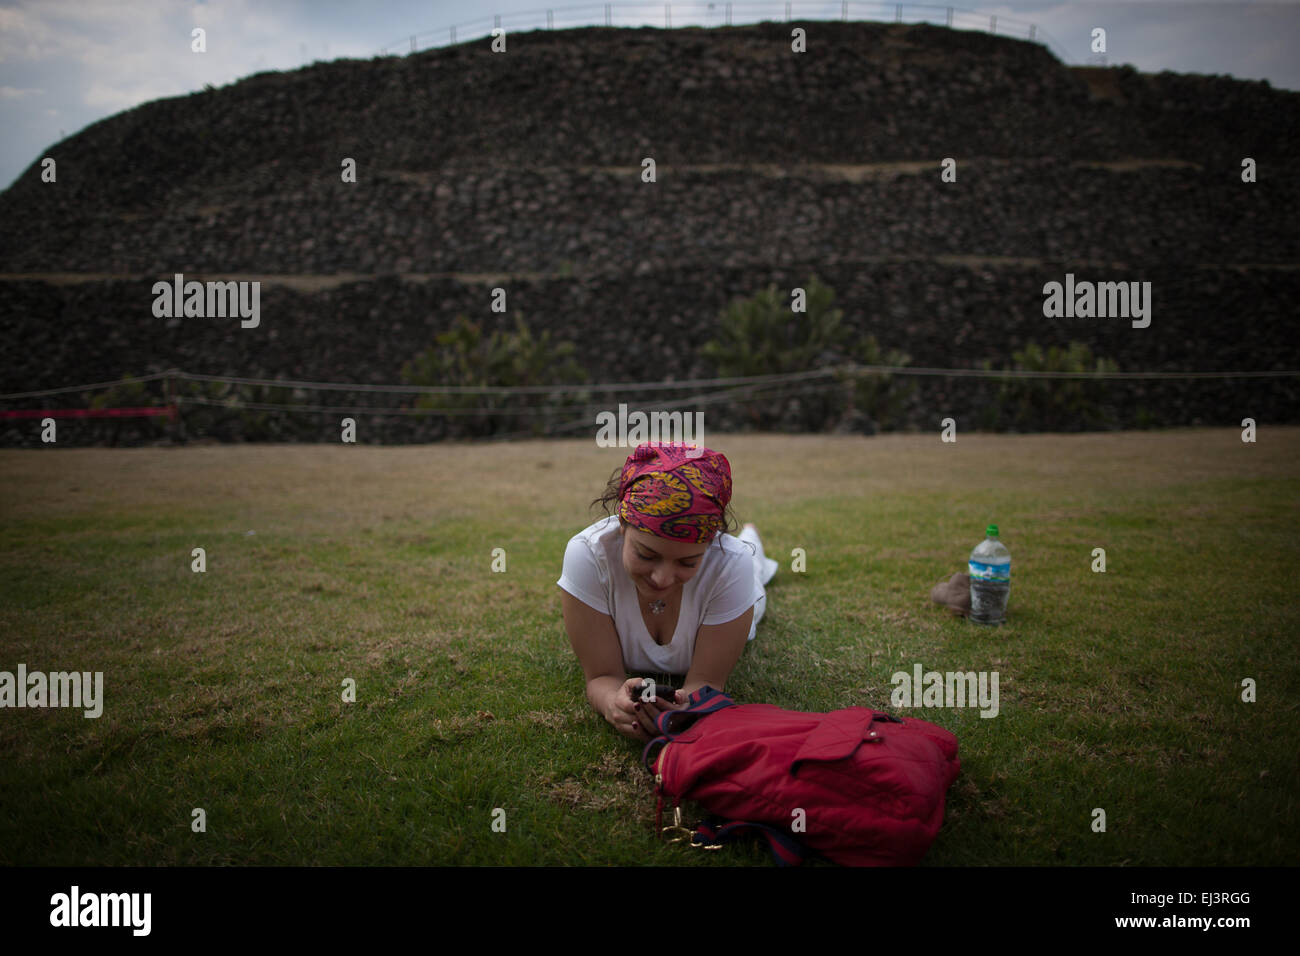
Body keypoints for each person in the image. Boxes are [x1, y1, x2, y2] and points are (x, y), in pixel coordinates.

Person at [556, 441, 778, 740]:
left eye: (688, 561)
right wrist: (612, 703)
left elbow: (707, 683)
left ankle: (752, 537)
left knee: (754, 569)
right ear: (622, 524)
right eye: (646, 555)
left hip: (742, 576)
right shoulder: (587, 556)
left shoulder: (730, 566)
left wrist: (691, 708)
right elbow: (601, 677)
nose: (661, 579)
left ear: (710, 545)